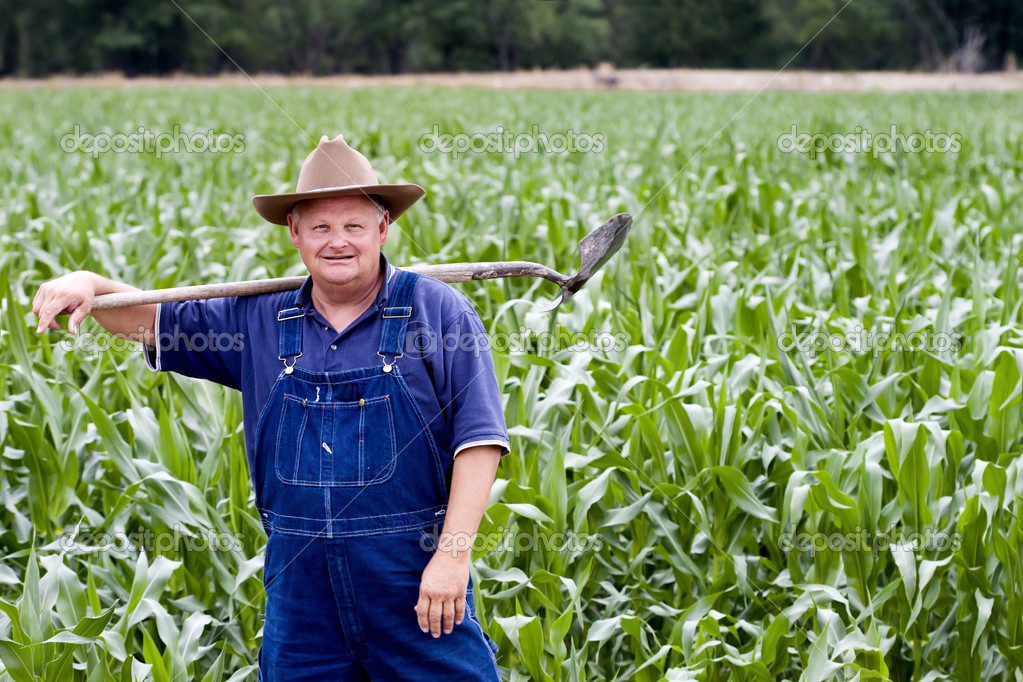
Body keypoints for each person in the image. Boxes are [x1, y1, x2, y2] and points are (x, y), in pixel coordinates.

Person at [33, 135, 509, 681]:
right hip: (301, 598)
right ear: (295, 233)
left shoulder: (436, 311)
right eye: (321, 228)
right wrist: (87, 284)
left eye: (354, 226)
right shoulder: (255, 321)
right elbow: (150, 319)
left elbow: (480, 439)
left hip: (416, 586)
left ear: (382, 228)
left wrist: (452, 557)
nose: (338, 243)